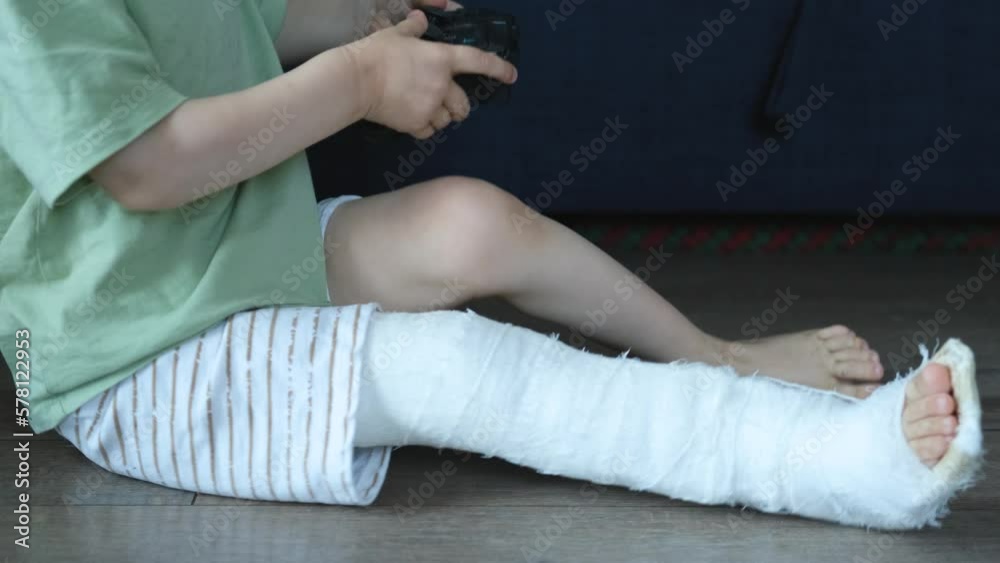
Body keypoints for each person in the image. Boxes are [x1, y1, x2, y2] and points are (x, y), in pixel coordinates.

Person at [0, 0, 980, 528]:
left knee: (472, 223)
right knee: (458, 370)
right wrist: (357, 82)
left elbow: (223, 20)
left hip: (222, 245)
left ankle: (714, 352)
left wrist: (348, 24)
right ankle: (826, 464)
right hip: (138, 349)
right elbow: (145, 163)